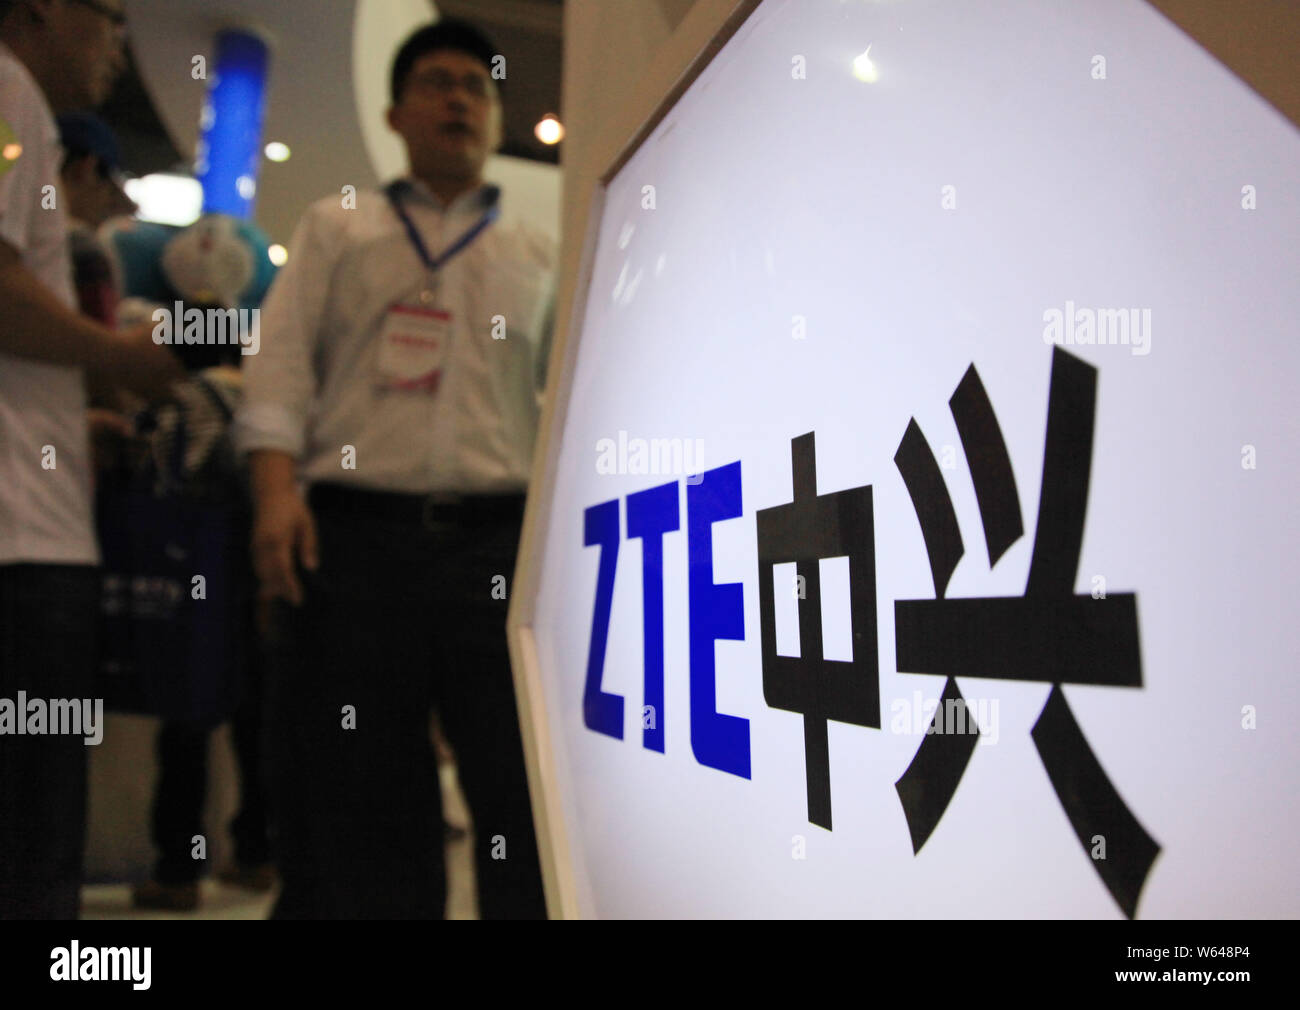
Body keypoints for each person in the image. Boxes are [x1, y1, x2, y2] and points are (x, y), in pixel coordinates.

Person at [236, 18, 554, 919]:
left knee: (513, 780)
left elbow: (558, 406)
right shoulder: (339, 227)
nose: (458, 99)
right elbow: (282, 366)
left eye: (476, 88)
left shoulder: (535, 254)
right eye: (438, 82)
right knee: (365, 786)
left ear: (493, 119)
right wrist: (271, 495)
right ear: (395, 112)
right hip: (357, 544)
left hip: (498, 547)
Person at [0, 0, 182, 919]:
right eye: (109, 17)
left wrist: (79, 422)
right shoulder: (8, 90)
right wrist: (124, 362)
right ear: (41, 10)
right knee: (33, 840)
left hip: (34, 514)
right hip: (22, 546)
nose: (119, 41)